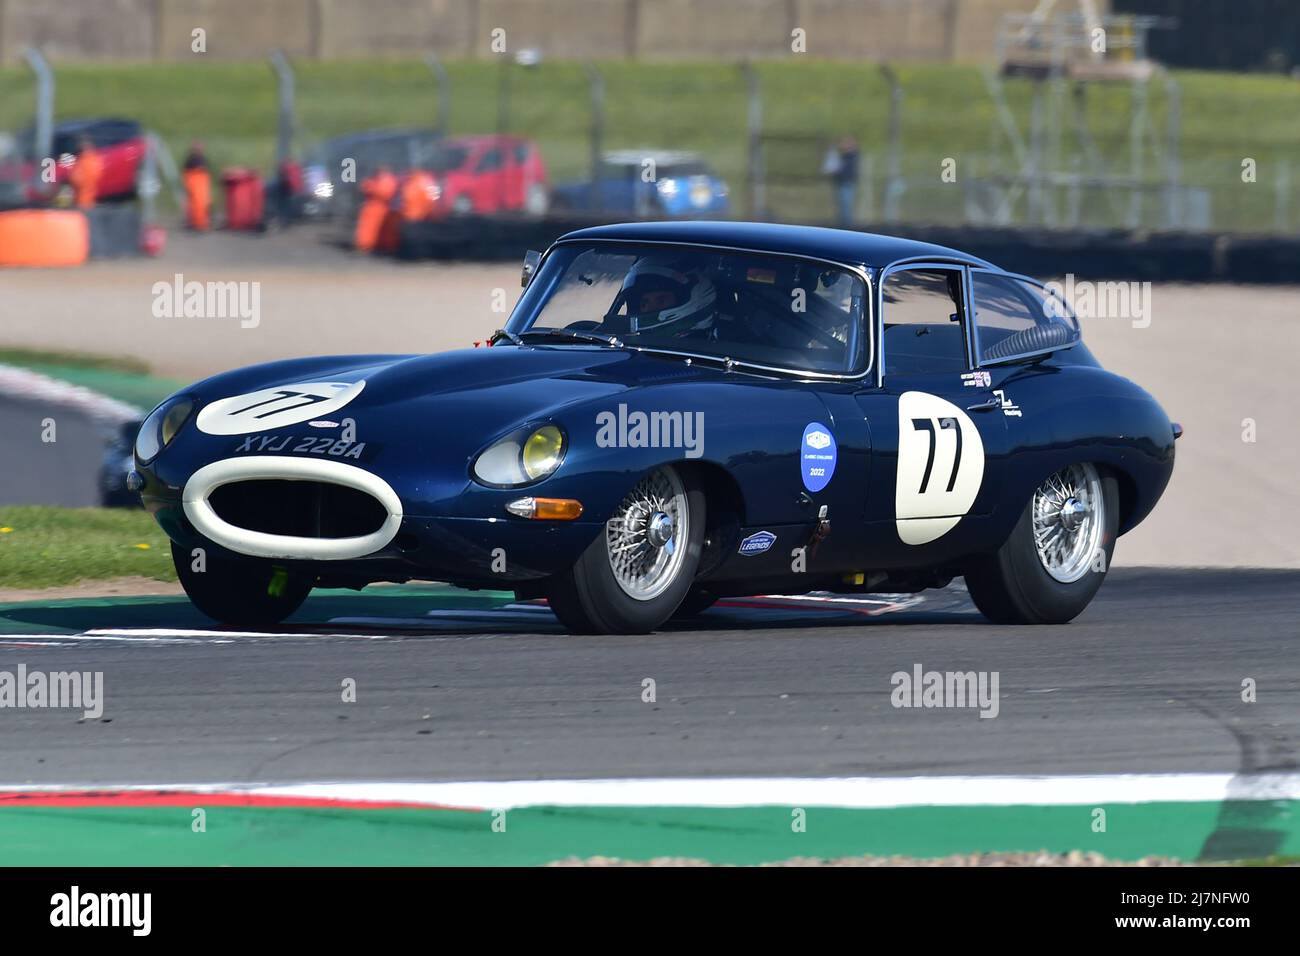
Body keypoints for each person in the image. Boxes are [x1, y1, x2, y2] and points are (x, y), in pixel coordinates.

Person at [353, 165, 397, 252]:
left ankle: (373, 245)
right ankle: (365, 245)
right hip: (373, 206)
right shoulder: (376, 179)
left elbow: (385, 193)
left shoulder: (386, 180)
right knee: (368, 228)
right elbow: (364, 188)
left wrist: (371, 188)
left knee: (378, 229)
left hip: (380, 207)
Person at [823, 135, 859, 226]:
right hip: (842, 182)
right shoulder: (844, 156)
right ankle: (844, 224)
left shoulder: (851, 156)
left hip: (847, 183)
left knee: (846, 205)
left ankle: (847, 225)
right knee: (843, 205)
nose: (843, 145)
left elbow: (845, 170)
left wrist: (836, 171)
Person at [182, 141, 212, 231]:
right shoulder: (190, 160)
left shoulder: (202, 159)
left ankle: (201, 222)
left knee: (203, 202)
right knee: (195, 202)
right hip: (195, 182)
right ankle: (196, 222)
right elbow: (186, 175)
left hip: (201, 183)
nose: (199, 149)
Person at [68, 136, 103, 210]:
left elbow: (77, 179)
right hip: (89, 200)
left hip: (82, 201)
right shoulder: (93, 158)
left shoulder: (84, 160)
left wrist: (72, 177)